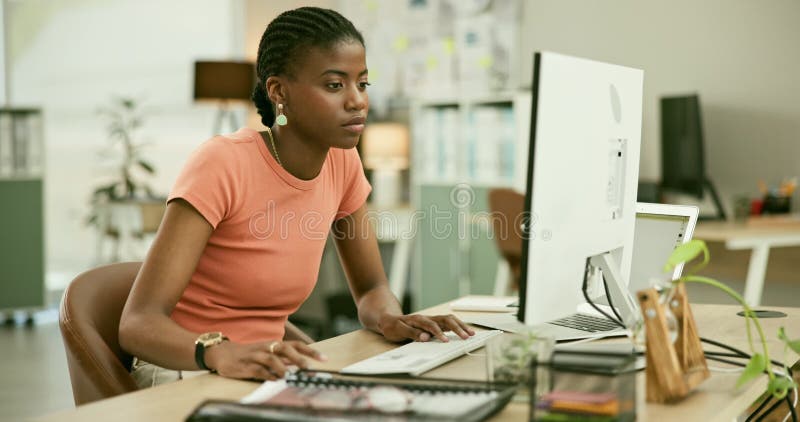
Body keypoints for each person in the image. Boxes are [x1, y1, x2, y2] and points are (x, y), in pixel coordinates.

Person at [119, 6, 474, 387]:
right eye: (335, 85)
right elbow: (138, 324)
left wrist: (391, 318)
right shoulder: (222, 163)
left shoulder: (342, 162)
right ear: (278, 91)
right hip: (187, 369)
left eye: (362, 84)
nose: (357, 100)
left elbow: (372, 289)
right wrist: (220, 352)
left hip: (267, 369)